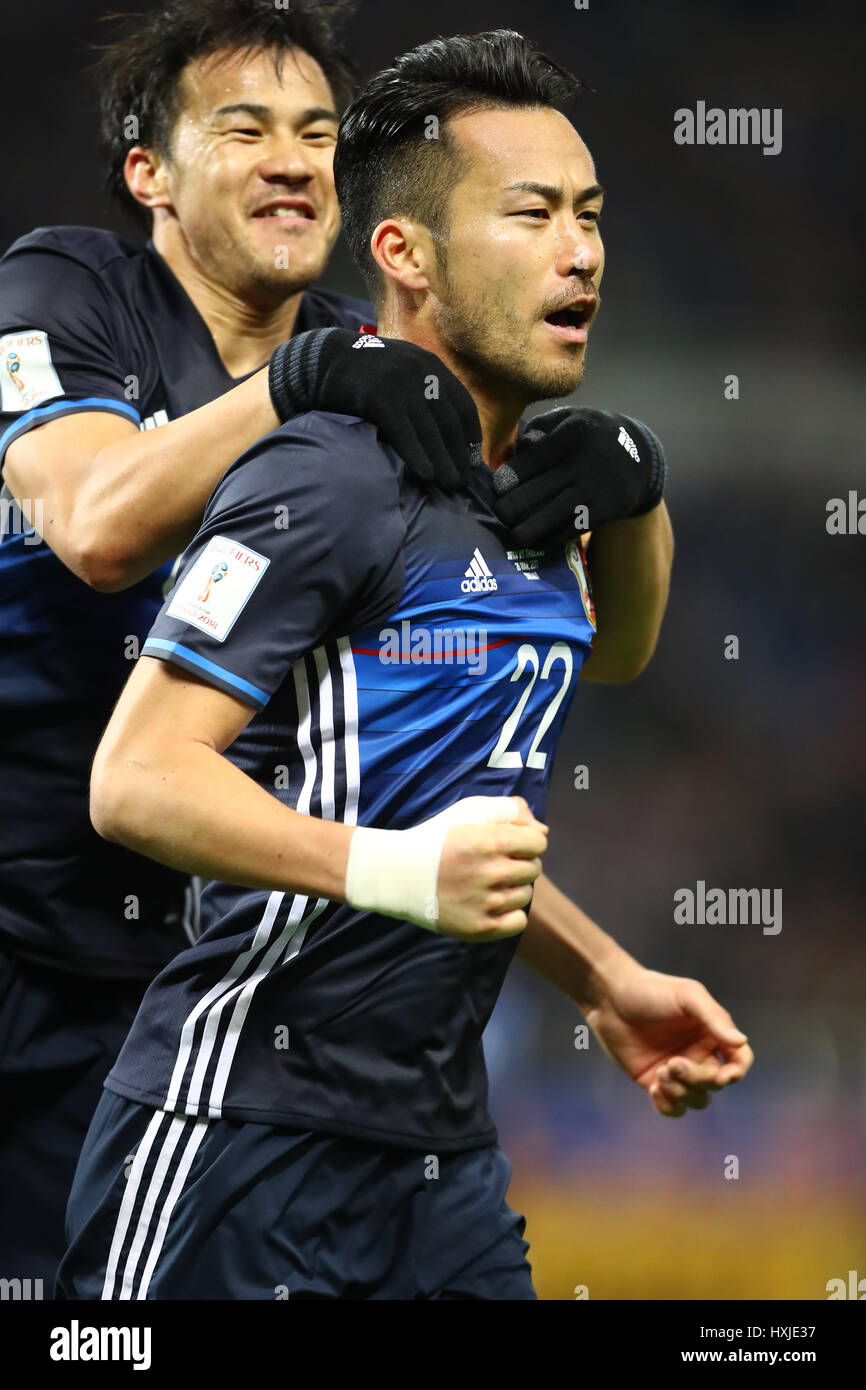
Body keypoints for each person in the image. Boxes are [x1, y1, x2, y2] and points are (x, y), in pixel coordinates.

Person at [57, 28, 752, 1302]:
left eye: (589, 215)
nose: (580, 250)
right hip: (239, 1143)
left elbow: (618, 654)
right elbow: (138, 780)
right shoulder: (324, 473)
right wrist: (402, 872)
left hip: (440, 1161)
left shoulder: (523, 495)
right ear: (404, 256)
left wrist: (605, 980)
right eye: (532, 214)